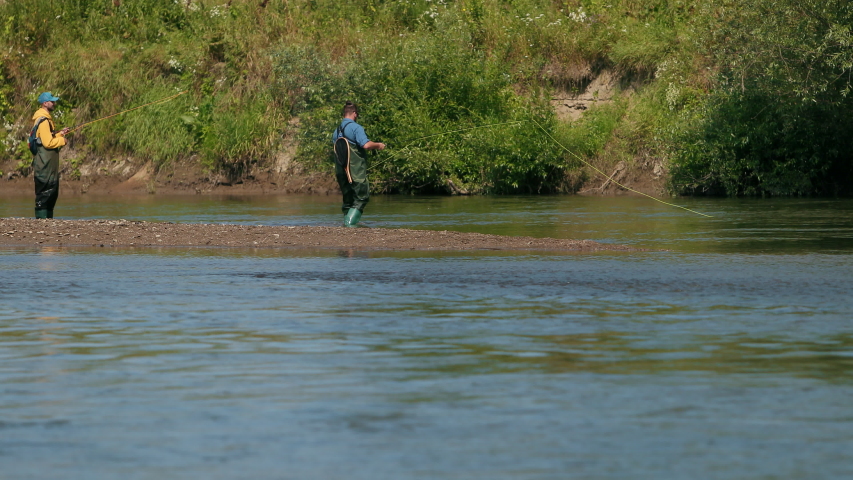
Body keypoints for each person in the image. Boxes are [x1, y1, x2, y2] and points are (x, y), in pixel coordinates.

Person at [331, 101, 385, 227]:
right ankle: (349, 225)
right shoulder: (356, 128)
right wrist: (378, 145)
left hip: (341, 171)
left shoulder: (336, 131)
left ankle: (347, 223)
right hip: (355, 171)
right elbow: (366, 145)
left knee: (348, 199)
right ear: (354, 114)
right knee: (361, 197)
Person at [31, 92, 69, 219]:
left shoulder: (45, 119)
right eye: (52, 101)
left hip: (48, 163)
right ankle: (42, 221)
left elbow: (46, 138)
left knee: (52, 192)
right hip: (44, 163)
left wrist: (60, 134)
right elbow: (48, 143)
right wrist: (62, 141)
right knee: (45, 193)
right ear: (45, 103)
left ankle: (48, 220)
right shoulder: (43, 120)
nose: (54, 103)